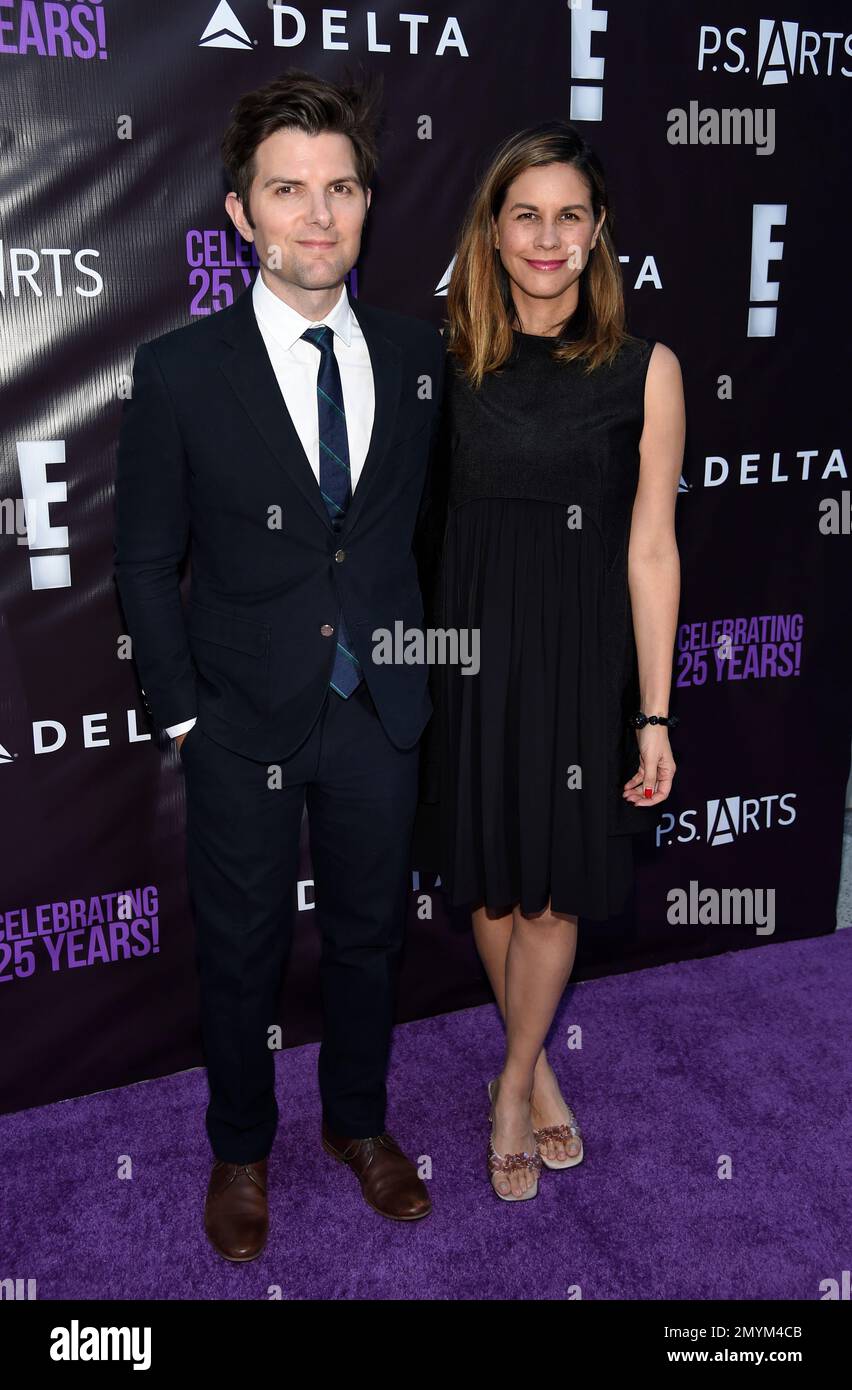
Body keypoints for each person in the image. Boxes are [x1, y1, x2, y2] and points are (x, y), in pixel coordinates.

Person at [113, 68, 444, 1260]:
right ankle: (240, 1149)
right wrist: (187, 720)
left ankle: (358, 1123)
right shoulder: (181, 372)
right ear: (240, 213)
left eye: (341, 189)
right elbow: (146, 561)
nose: (319, 217)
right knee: (244, 946)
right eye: (288, 191)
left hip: (378, 708)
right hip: (240, 718)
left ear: (366, 203)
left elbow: (426, 538)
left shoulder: (418, 357)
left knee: (368, 934)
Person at [421, 122, 684, 1201]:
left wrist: (655, 715)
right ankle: (531, 1079)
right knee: (488, 878)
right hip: (473, 657)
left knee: (552, 897)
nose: (546, 236)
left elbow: (653, 545)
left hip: (583, 662)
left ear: (598, 231)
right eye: (524, 213)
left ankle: (516, 1078)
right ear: (492, 228)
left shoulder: (645, 370)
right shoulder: (443, 363)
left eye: (569, 214)